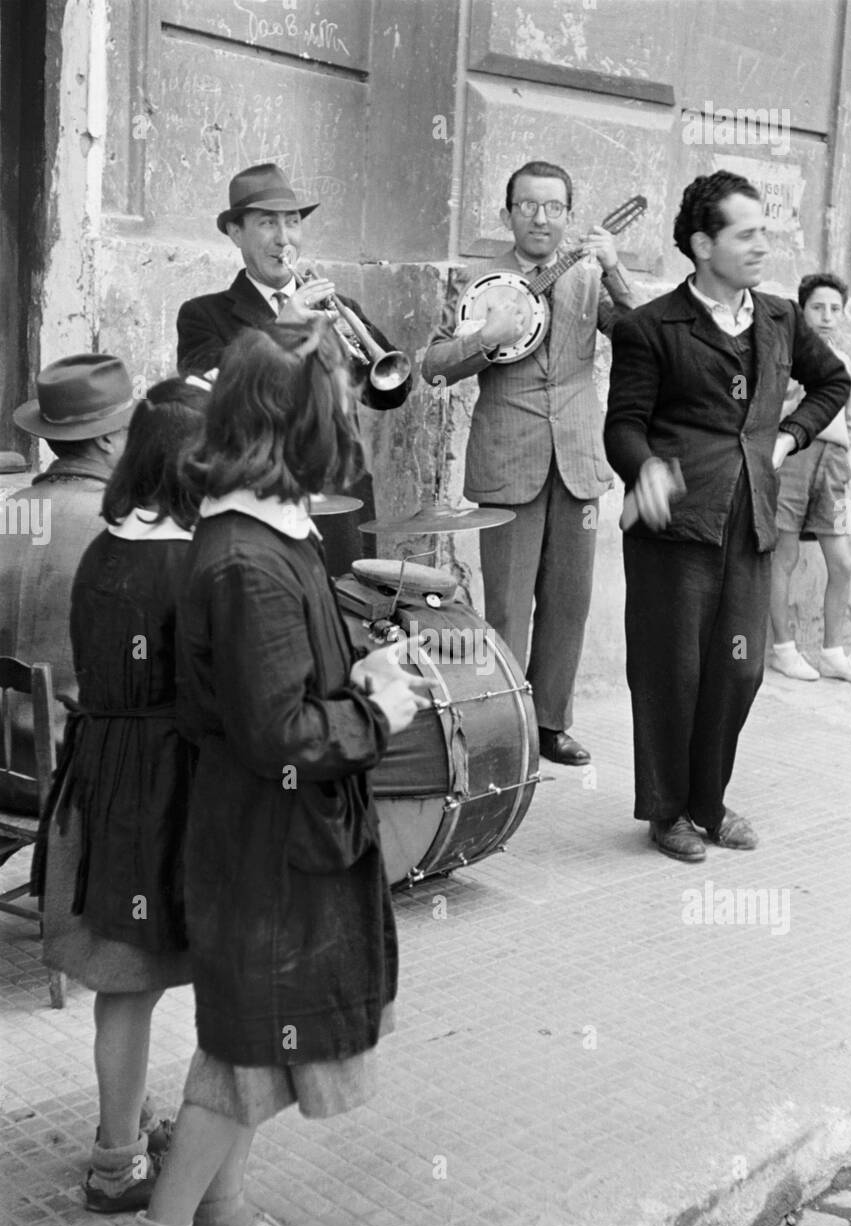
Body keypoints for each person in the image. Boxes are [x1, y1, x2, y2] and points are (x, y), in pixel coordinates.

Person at [111, 318, 430, 1226]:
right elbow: (278, 733)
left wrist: (358, 669)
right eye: (336, 405)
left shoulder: (259, 531)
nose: (351, 423)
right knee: (247, 1050)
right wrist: (376, 704)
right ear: (297, 422)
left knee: (260, 1034)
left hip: (276, 839)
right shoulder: (247, 559)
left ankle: (223, 1221)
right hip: (266, 845)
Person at [604, 170, 851, 863]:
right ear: (703, 244)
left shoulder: (779, 317)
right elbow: (623, 425)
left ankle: (708, 800)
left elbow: (833, 382)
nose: (762, 246)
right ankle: (667, 811)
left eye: (763, 232)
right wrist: (644, 468)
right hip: (675, 530)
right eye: (747, 234)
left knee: (738, 670)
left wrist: (789, 435)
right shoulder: (650, 328)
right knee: (669, 673)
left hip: (750, 522)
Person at [34, 379, 208, 1211]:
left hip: (98, 772)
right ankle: (118, 1163)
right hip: (158, 791)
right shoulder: (187, 562)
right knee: (135, 986)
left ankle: (126, 1131)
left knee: (122, 982)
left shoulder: (107, 546)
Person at [422, 160, 635, 765]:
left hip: (577, 457)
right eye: (527, 206)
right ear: (506, 212)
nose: (541, 219)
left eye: (554, 208)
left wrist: (616, 269)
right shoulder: (478, 281)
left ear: (569, 214)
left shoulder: (589, 279)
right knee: (509, 603)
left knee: (571, 599)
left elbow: (645, 336)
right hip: (507, 459)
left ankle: (550, 724)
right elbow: (434, 366)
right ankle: (505, 723)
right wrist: (484, 340)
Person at [176, 161, 411, 576]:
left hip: (340, 495)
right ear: (236, 232)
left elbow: (388, 392)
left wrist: (351, 336)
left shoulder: (338, 307)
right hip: (256, 495)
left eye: (292, 223)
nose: (284, 239)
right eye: (267, 223)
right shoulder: (202, 315)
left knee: (345, 617)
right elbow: (207, 394)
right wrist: (282, 327)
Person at [0, 355, 134, 808]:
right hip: (79, 770)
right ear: (110, 439)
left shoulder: (10, 512)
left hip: (4, 762)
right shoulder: (125, 526)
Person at [769, 273, 851, 684]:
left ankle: (833, 652)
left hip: (832, 461)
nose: (827, 316)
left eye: (835, 308)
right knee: (785, 557)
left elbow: (845, 416)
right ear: (802, 310)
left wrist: (842, 453)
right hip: (794, 458)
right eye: (818, 307)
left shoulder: (843, 361)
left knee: (843, 561)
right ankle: (783, 650)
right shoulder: (787, 355)